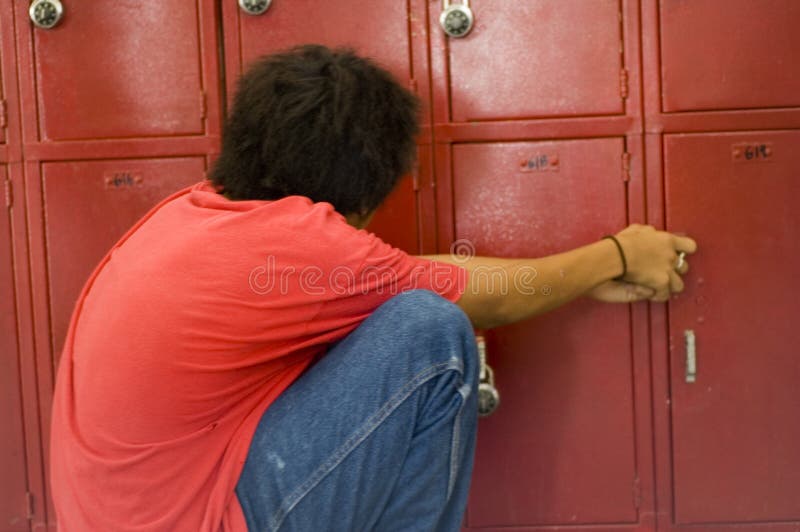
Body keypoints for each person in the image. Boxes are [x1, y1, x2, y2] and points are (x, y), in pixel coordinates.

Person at [50, 45, 696, 532]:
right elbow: (480, 294)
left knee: (402, 310)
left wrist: (596, 272)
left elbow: (393, 271)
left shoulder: (193, 215)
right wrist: (616, 255)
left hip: (138, 513)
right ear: (361, 182)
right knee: (429, 329)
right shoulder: (302, 241)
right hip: (204, 519)